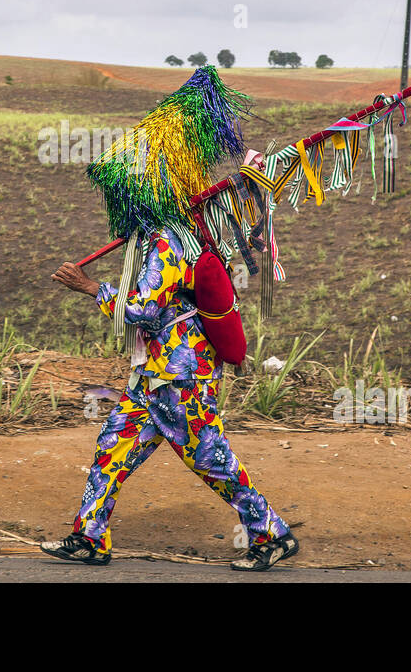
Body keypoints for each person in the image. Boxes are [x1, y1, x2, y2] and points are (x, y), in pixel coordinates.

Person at [45, 225, 299, 572]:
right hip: (155, 372)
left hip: (181, 375)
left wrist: (89, 287)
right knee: (112, 447)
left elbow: (142, 311)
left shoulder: (167, 243)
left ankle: (271, 535)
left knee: (211, 459)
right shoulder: (167, 238)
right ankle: (89, 538)